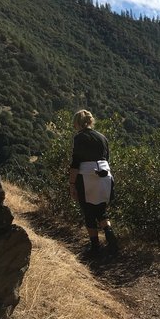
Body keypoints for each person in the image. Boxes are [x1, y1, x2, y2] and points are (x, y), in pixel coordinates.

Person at [69, 109, 118, 254]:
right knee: (101, 209)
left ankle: (95, 247)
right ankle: (110, 236)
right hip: (105, 176)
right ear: (91, 121)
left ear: (77, 123)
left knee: (88, 211)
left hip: (86, 176)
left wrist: (72, 184)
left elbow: (76, 162)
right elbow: (107, 159)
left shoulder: (79, 138)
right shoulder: (103, 137)